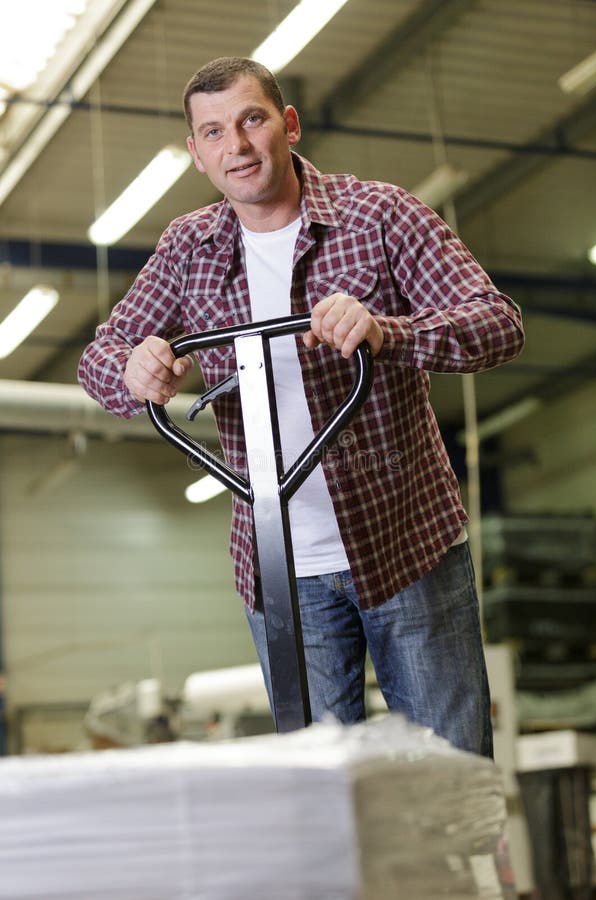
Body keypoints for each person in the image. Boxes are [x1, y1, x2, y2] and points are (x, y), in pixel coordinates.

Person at [78, 56, 524, 757]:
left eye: (252, 120)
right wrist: (135, 368)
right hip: (281, 569)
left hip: (407, 544)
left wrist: (387, 330)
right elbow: (99, 361)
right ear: (197, 154)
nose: (239, 146)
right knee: (320, 795)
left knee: (451, 772)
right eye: (215, 132)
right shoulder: (188, 249)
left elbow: (497, 323)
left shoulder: (380, 215)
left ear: (287, 123)